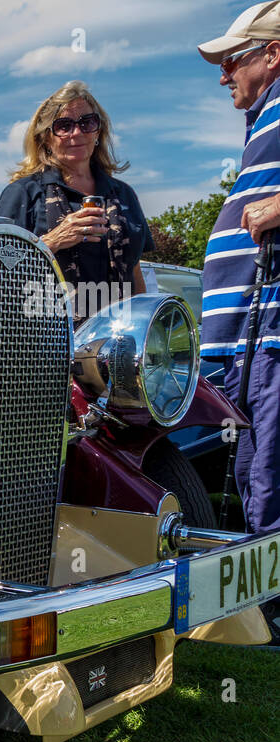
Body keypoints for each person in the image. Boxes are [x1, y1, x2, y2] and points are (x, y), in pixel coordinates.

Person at [200, 4, 280, 550]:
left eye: (233, 59)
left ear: (273, 54)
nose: (223, 73)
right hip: (247, 338)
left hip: (272, 333)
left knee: (271, 477)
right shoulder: (263, 117)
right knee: (256, 472)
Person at [0, 81, 152, 325]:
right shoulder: (24, 193)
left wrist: (143, 329)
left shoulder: (123, 195)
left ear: (98, 132)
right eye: (63, 126)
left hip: (117, 341)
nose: (76, 133)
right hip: (49, 343)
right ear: (45, 138)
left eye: (86, 123)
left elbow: (135, 270)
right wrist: (53, 240)